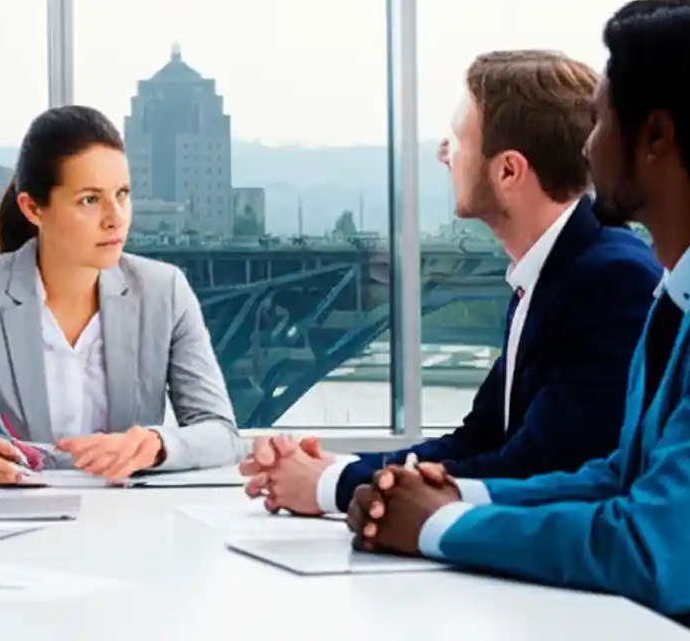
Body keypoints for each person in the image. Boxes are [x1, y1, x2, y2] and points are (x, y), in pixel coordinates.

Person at [350, 0, 690, 636]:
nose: (586, 149)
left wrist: (441, 523)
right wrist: (459, 496)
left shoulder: (649, 291)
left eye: (600, 121)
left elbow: (655, 550)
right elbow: (619, 477)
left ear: (656, 135)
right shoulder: (677, 298)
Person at [241, 50, 661, 516]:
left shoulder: (611, 281)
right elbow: (480, 440)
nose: (444, 154)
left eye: (459, 139)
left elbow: (540, 468)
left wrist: (332, 487)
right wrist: (333, 468)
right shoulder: (555, 273)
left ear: (508, 170)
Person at [0, 105, 240, 482]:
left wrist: (156, 445)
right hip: (19, 506)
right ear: (33, 208)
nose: (115, 218)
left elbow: (222, 435)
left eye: (122, 194)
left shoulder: (165, 291)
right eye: (90, 199)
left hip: (131, 507)